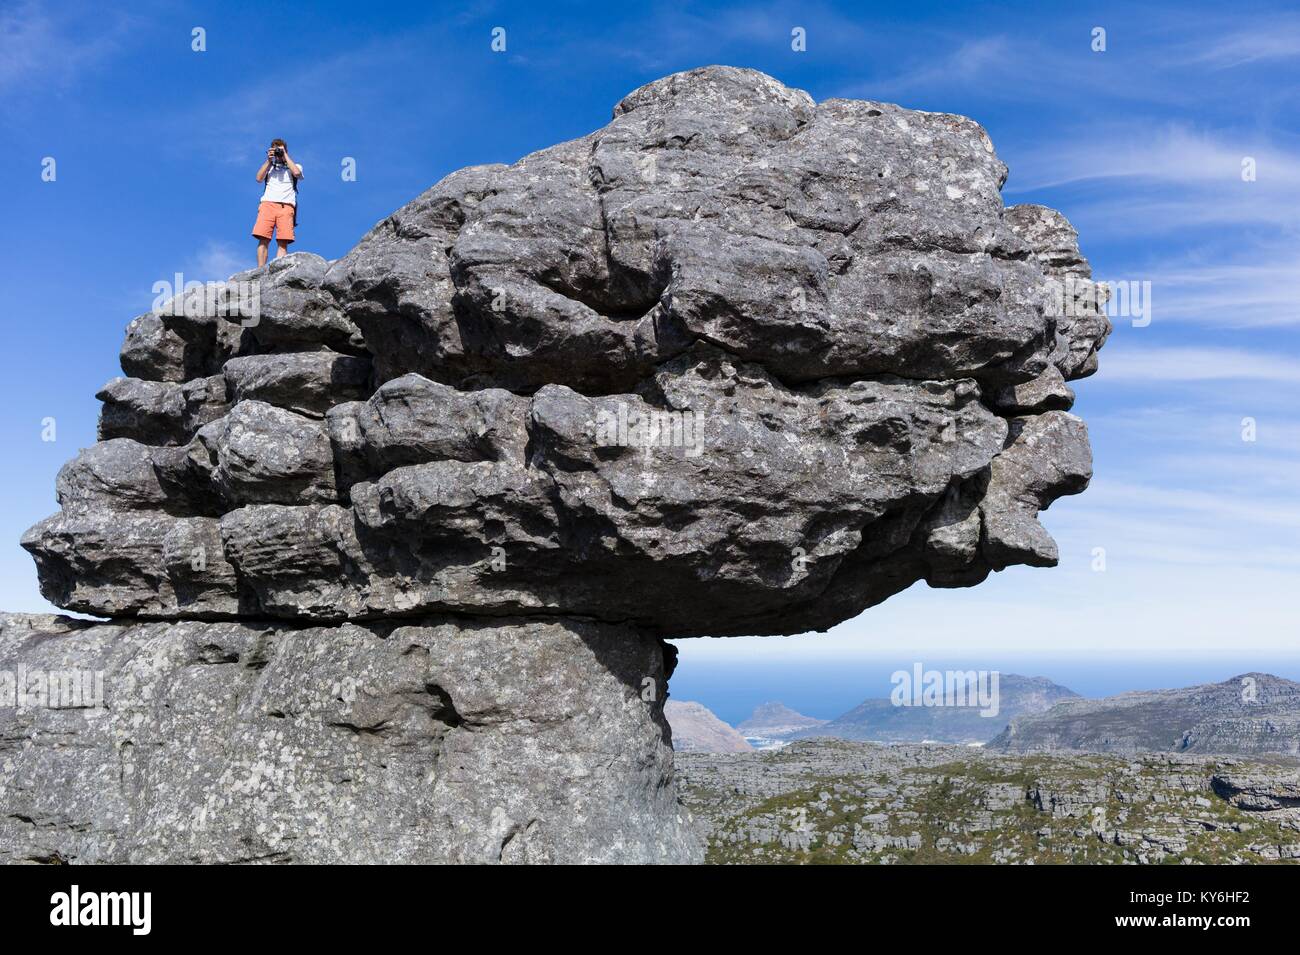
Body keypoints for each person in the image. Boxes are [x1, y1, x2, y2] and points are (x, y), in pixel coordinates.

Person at [252, 139, 303, 266]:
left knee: (283, 242)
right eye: (276, 150)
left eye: (280, 149)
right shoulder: (269, 167)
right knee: (263, 239)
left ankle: (277, 271)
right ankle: (260, 271)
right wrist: (269, 160)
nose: (278, 153)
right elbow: (258, 178)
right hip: (267, 204)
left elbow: (297, 173)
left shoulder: (294, 166)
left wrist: (285, 155)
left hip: (286, 206)